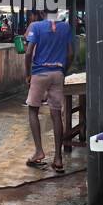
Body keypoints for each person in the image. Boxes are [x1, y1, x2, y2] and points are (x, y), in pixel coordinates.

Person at [24, 13, 74, 173]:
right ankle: (58, 158)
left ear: (40, 13)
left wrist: (28, 74)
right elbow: (71, 54)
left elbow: (28, 52)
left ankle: (39, 151)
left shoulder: (36, 26)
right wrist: (63, 71)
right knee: (56, 114)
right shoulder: (66, 27)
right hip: (57, 73)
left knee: (33, 110)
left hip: (40, 73)